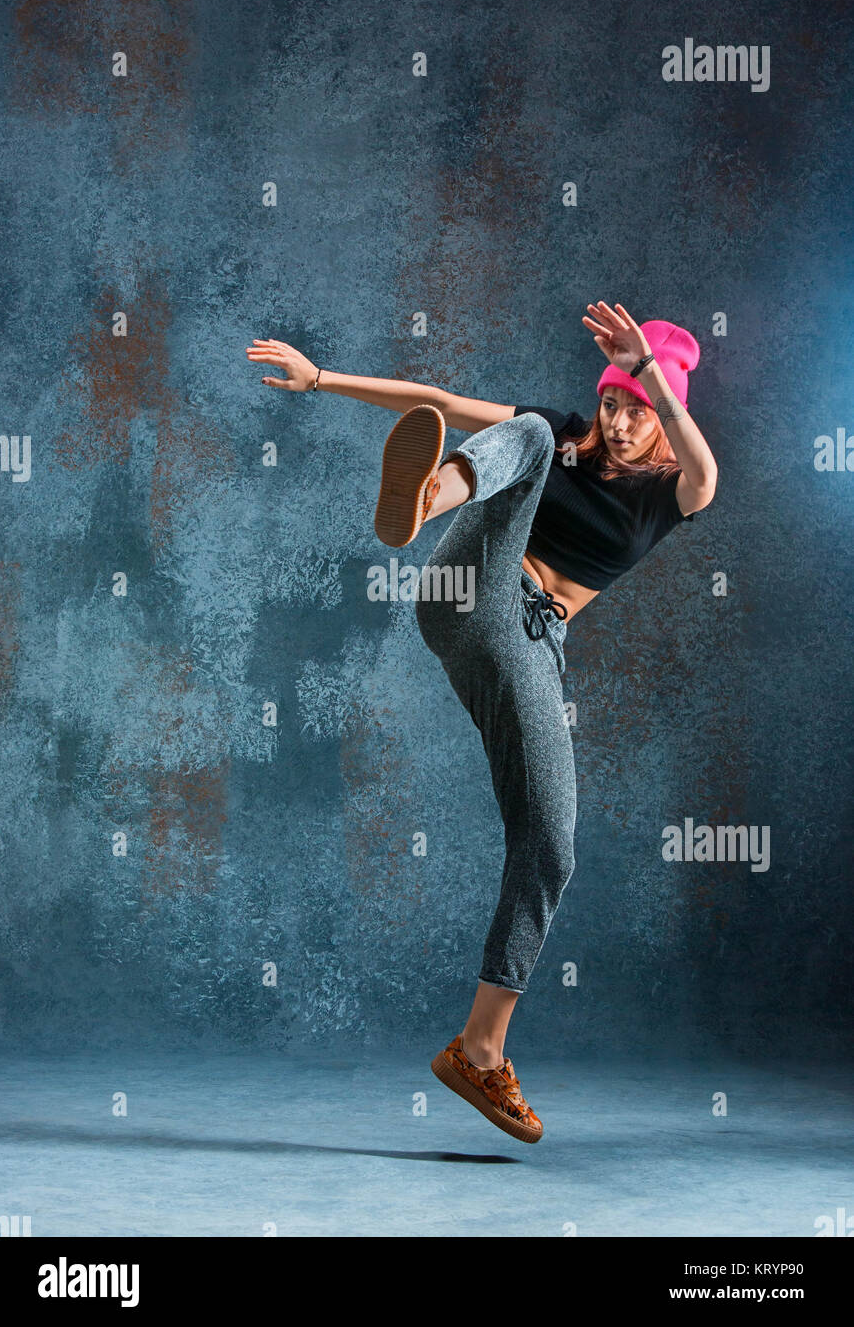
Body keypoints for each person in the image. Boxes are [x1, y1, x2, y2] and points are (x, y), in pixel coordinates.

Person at [246, 301, 718, 1143]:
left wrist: (649, 371)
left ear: (659, 415)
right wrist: (320, 379)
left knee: (551, 843)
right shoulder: (565, 435)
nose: (615, 422)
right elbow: (436, 400)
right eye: (610, 401)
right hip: (468, 587)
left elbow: (702, 464)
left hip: (528, 646)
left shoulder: (670, 497)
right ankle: (428, 496)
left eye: (634, 411)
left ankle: (480, 1052)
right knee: (531, 437)